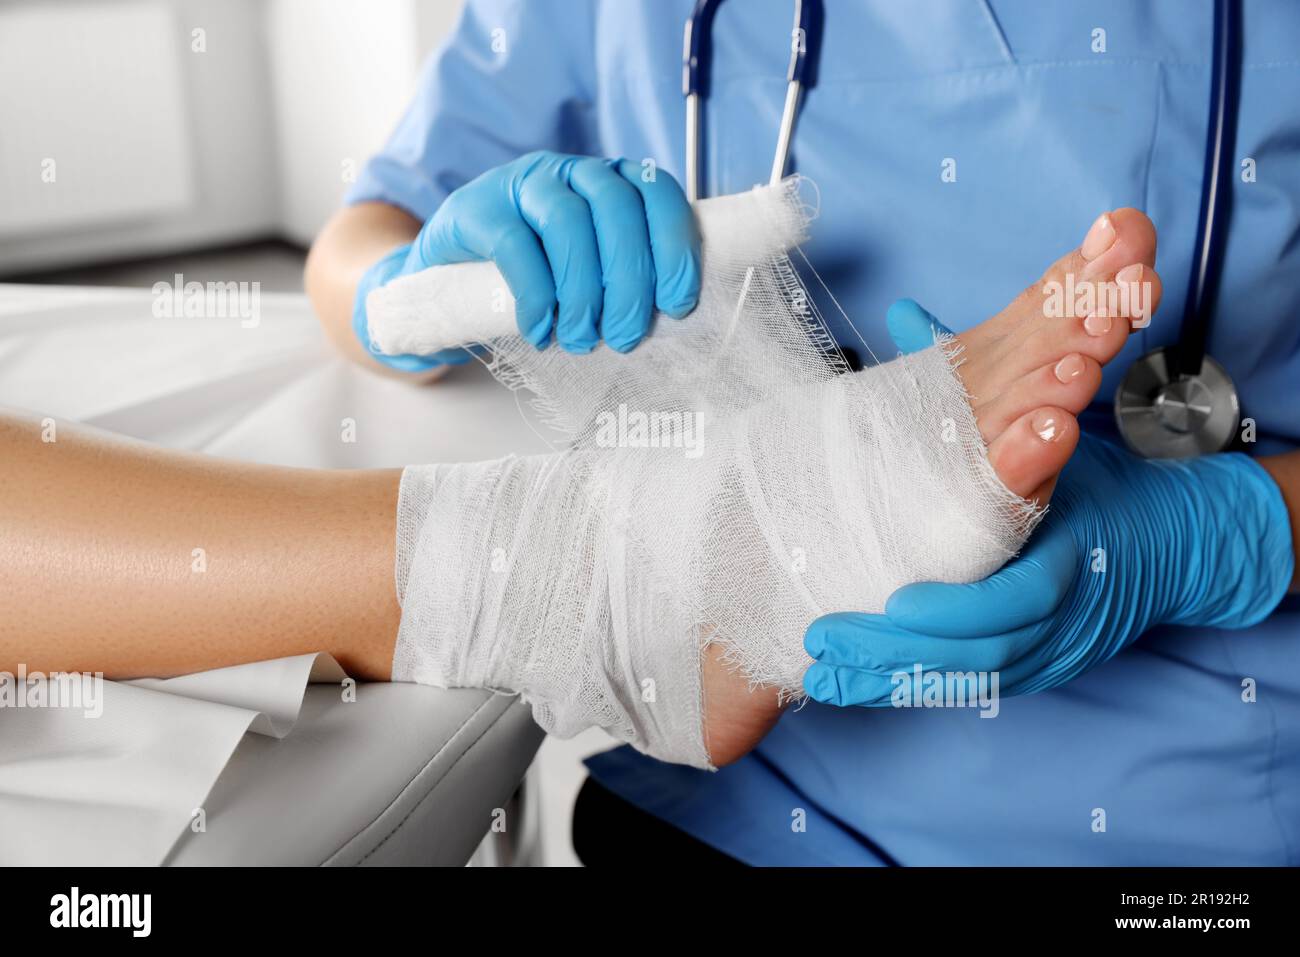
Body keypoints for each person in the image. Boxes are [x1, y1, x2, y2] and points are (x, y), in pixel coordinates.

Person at [306, 0, 1300, 864]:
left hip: (1187, 817)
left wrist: (1217, 533)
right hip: (747, 794)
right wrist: (408, 294)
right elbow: (355, 246)